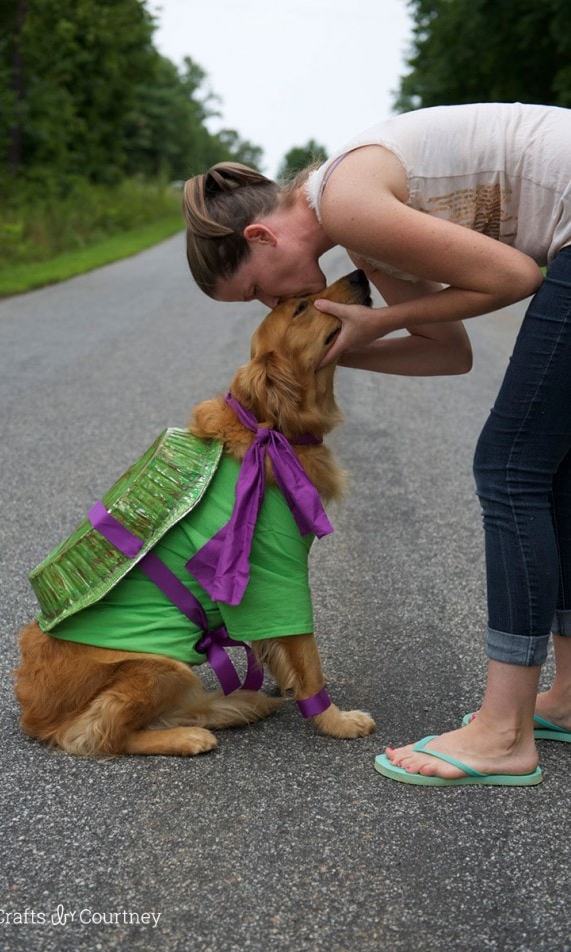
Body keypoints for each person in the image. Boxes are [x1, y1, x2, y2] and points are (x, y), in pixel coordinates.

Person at [182, 102, 571, 786]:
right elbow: (447, 353)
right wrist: (330, 351)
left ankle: (503, 734)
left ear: (262, 236)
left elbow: (517, 278)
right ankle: (564, 699)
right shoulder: (358, 230)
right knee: (555, 470)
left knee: (509, 468)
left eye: (252, 292)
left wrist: (375, 318)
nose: (265, 307)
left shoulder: (348, 201)